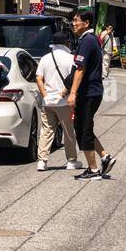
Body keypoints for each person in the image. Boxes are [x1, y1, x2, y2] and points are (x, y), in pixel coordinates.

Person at [67, 9, 117, 179]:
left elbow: (80, 69)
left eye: (76, 20)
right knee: (83, 128)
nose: (73, 23)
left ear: (86, 23)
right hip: (91, 92)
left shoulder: (87, 41)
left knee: (83, 130)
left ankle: (93, 170)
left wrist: (72, 93)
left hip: (89, 92)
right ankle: (105, 157)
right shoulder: (89, 39)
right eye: (73, 20)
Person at [35, 30, 81, 171]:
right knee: (68, 131)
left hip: (48, 102)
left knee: (47, 130)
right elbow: (74, 78)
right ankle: (71, 161)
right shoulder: (71, 58)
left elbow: (38, 78)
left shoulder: (45, 58)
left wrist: (45, 94)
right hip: (65, 101)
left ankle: (42, 161)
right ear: (66, 42)